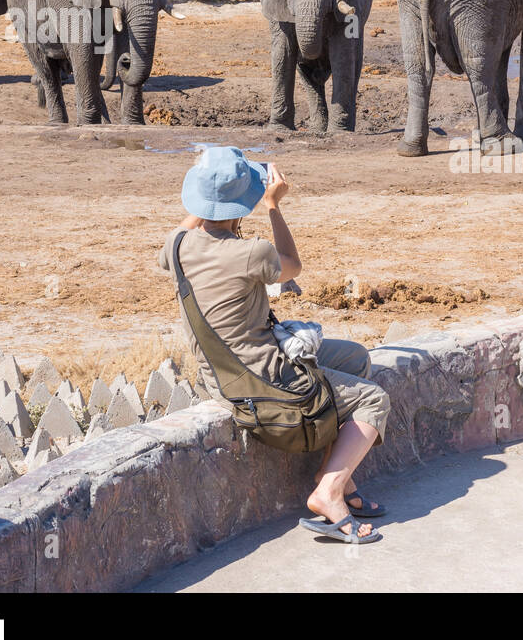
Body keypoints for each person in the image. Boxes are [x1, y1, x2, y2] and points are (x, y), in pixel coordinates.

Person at [158, 146, 390, 543]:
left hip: (220, 377)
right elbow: (292, 264)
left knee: (355, 358)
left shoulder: (177, 246)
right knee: (374, 400)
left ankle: (335, 474)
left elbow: (191, 224)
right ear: (240, 205)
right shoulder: (251, 252)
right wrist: (272, 205)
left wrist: (212, 196)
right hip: (267, 378)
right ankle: (328, 494)